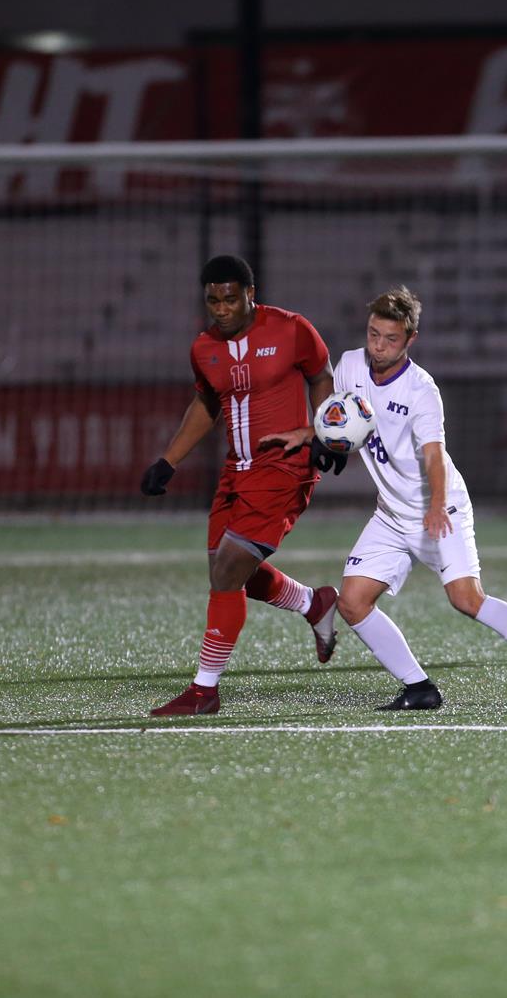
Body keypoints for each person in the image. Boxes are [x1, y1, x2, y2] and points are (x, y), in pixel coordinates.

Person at [334, 287, 507, 711]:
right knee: (353, 601)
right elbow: (336, 415)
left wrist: (435, 505)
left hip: (441, 508)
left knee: (467, 599)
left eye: (390, 339)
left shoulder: (421, 391)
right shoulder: (349, 366)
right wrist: (314, 438)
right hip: (390, 514)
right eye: (373, 334)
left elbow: (433, 455)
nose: (378, 346)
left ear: (411, 339)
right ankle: (419, 687)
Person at [140, 254, 349, 716]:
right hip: (236, 471)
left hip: (284, 467)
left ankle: (204, 691)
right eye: (213, 300)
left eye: (230, 299)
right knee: (231, 571)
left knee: (227, 572)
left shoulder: (292, 329)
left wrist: (325, 434)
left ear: (251, 295)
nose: (221, 308)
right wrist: (168, 460)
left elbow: (322, 376)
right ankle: (314, 603)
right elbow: (206, 404)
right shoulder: (202, 348)